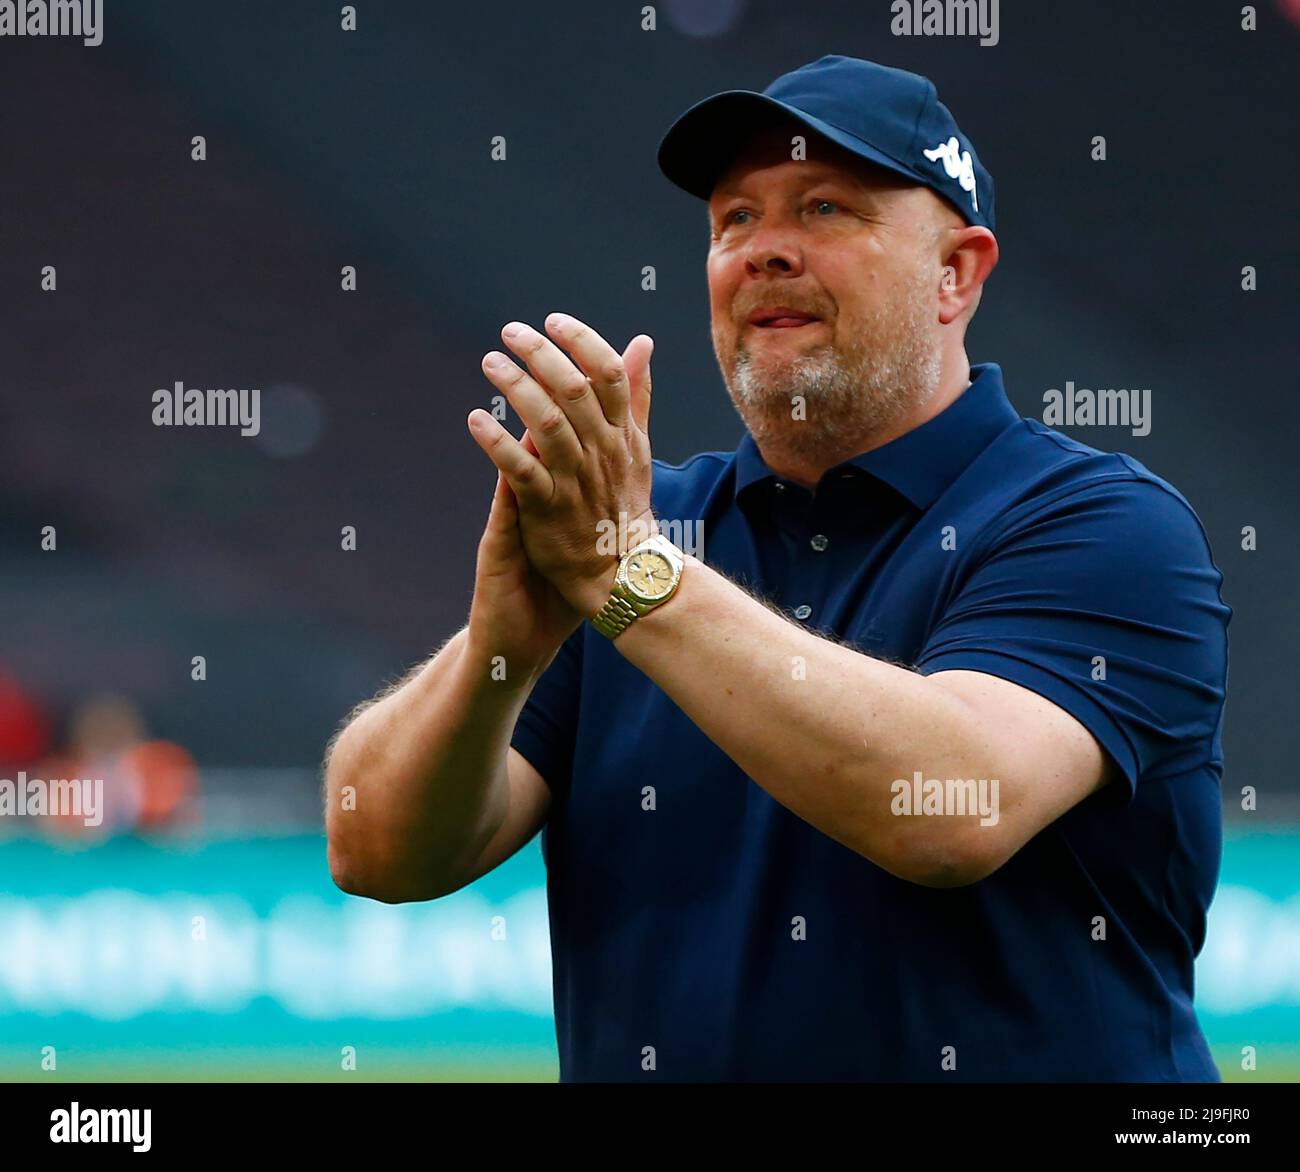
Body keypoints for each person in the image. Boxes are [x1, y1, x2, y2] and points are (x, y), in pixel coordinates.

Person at [324, 56, 1231, 1082]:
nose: (764, 251)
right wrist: (500, 644)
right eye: (735, 219)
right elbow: (374, 847)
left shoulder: (1101, 524)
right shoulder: (637, 528)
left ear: (957, 273)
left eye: (826, 207)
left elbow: (949, 802)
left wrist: (632, 577)